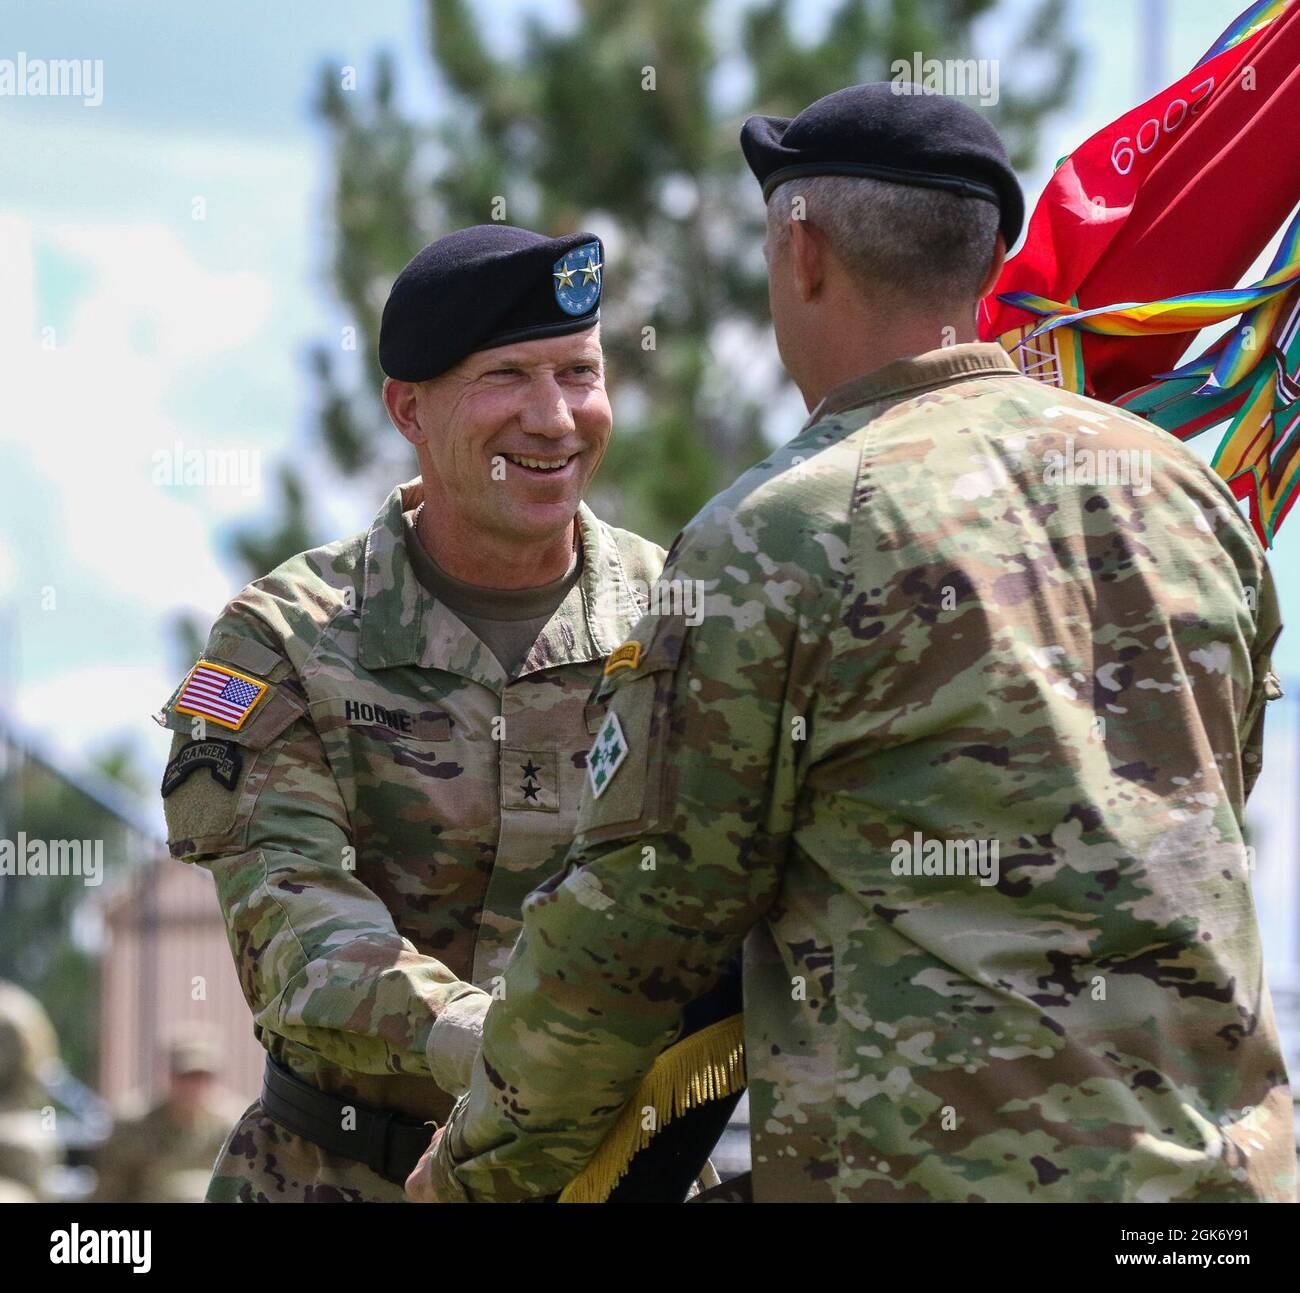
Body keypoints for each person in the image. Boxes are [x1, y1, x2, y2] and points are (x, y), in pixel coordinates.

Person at [411, 84, 1296, 1204]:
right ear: (982, 264)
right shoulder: (1185, 498)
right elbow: (1215, 792)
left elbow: (639, 929)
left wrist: (479, 1169)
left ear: (802, 247)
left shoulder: (782, 530)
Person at [156, 224, 664, 1202]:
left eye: (579, 373)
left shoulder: (684, 618)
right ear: (408, 409)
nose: (554, 418)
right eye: (507, 376)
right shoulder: (283, 639)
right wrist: (497, 1047)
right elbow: (289, 914)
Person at [92, 1035, 243, 1203]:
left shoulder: (236, 1128)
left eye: (202, 1077)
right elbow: (110, 1191)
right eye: (187, 1077)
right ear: (169, 1075)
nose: (194, 1087)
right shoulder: (134, 1126)